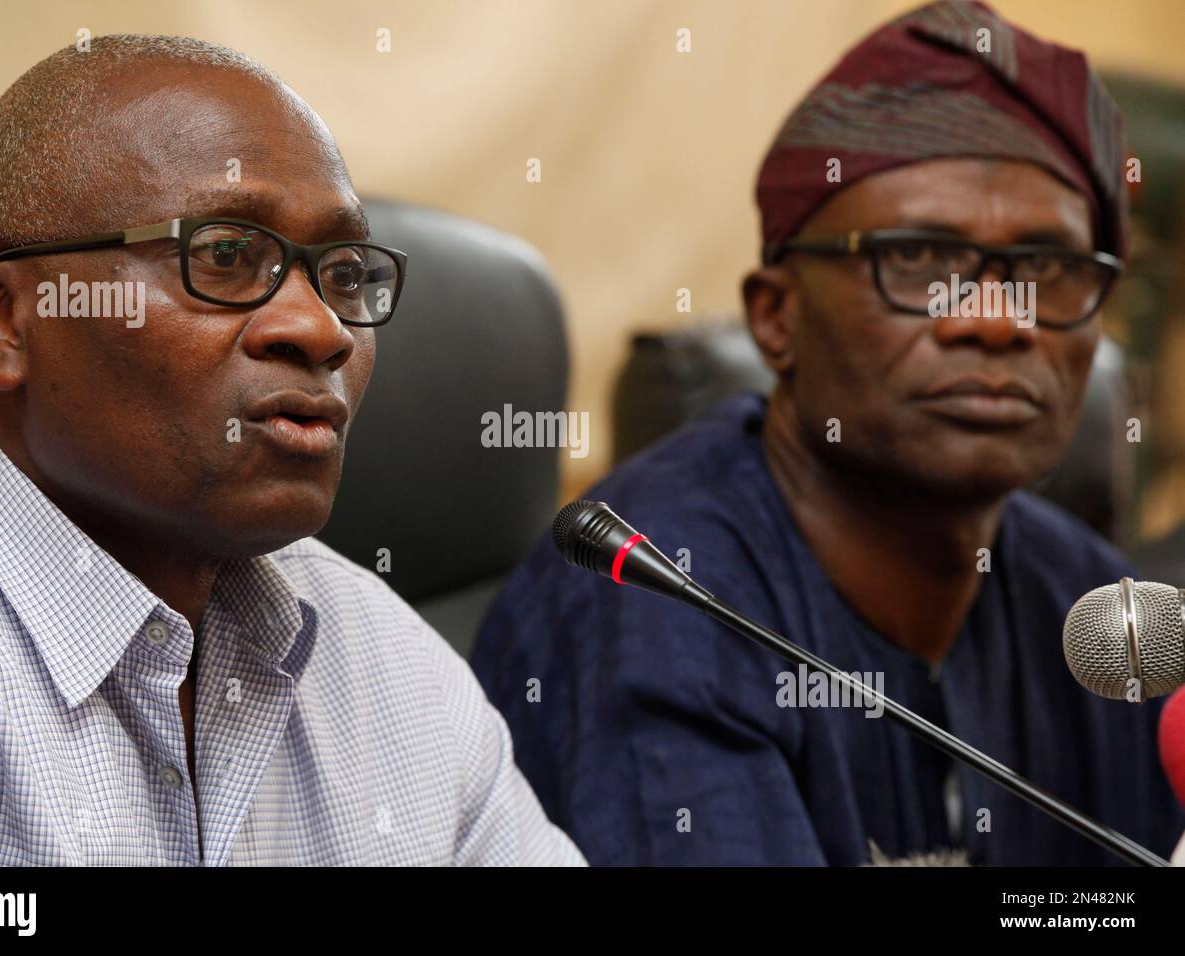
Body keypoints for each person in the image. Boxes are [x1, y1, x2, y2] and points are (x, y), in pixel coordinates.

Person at [471, 0, 1184, 865]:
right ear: (776, 318)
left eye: (1049, 268)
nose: (998, 320)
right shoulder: (658, 595)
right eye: (920, 260)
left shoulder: (1095, 602)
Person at [0, 34, 583, 866]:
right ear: (0, 323)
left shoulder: (383, 659)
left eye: (346, 274)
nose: (321, 328)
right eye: (221, 256)